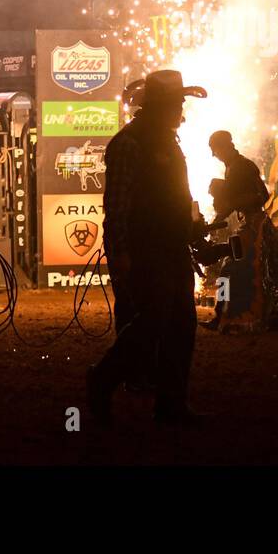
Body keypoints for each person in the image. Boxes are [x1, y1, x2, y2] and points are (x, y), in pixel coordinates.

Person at [87, 70, 208, 426]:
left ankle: (170, 404)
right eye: (177, 102)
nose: (182, 107)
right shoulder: (130, 144)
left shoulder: (163, 140)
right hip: (146, 249)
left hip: (170, 247)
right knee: (153, 321)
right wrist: (120, 251)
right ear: (161, 105)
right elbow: (118, 205)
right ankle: (104, 377)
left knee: (181, 324)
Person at [200, 130, 278, 333]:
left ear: (223, 147)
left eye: (214, 150)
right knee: (244, 271)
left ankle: (233, 315)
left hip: (255, 227)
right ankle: (225, 313)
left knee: (236, 272)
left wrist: (226, 198)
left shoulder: (240, 167)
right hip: (250, 225)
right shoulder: (234, 167)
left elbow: (260, 196)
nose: (214, 155)